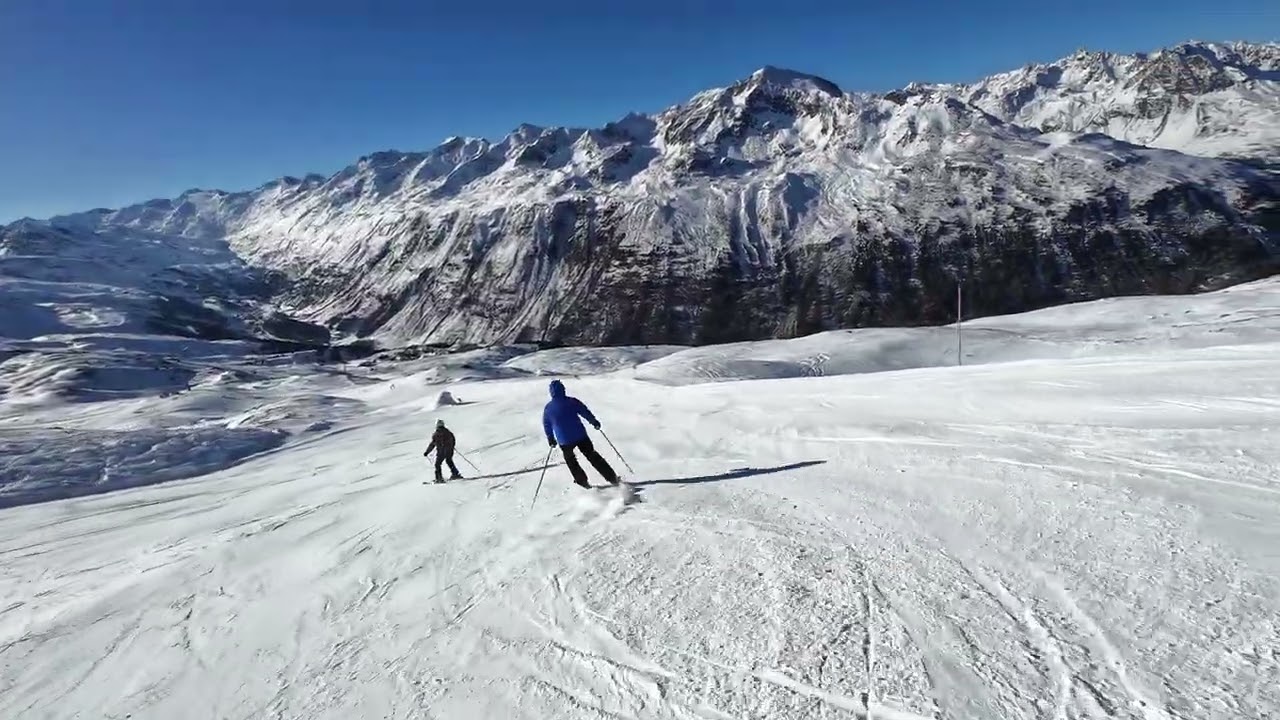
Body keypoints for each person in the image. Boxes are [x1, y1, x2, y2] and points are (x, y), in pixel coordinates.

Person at [542, 379, 618, 489]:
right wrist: (594, 422)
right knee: (592, 456)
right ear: (563, 390)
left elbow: (546, 424)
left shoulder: (548, 408)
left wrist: (550, 438)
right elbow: (584, 411)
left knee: (571, 461)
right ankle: (612, 478)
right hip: (580, 435)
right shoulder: (572, 401)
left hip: (564, 440)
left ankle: (582, 482)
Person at [424, 419, 463, 483]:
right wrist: (452, 446)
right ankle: (455, 473)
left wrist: (427, 452)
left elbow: (432, 444)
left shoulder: (436, 434)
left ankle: (439, 478)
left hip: (441, 452)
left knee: (437, 464)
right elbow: (453, 439)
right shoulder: (448, 432)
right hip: (449, 450)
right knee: (449, 461)